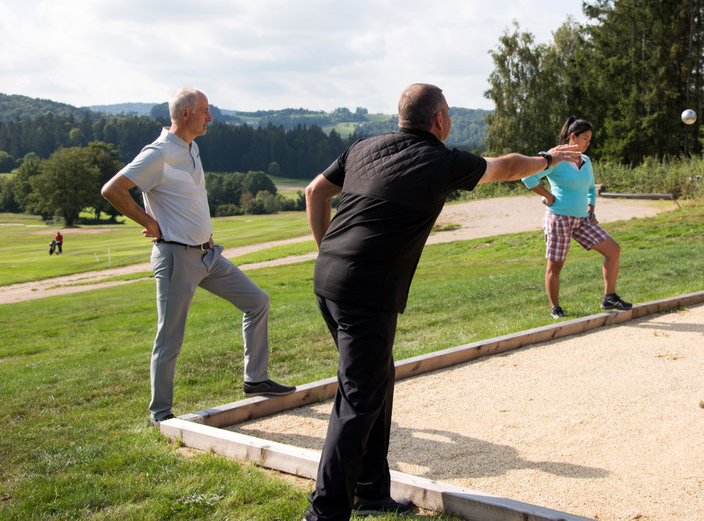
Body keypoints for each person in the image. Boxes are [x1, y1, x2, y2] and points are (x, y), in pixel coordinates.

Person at [303, 83, 581, 520]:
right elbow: (507, 166)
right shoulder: (439, 159)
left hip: (329, 279)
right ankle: (325, 513)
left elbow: (314, 192)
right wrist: (548, 159)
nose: (449, 121)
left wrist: (327, 252)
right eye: (448, 114)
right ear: (438, 120)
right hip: (367, 290)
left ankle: (372, 491)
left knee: (376, 380)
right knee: (358, 398)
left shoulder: (364, 145)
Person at [101, 87, 294, 427]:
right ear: (186, 113)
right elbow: (113, 189)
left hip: (207, 255)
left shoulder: (192, 148)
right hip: (176, 257)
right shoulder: (158, 153)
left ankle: (255, 378)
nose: (210, 117)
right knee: (170, 336)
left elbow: (186, 199)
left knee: (257, 301)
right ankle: (160, 415)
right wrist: (148, 221)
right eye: (205, 110)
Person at [521, 116, 632, 319]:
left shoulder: (586, 161)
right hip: (559, 219)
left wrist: (591, 208)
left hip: (582, 219)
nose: (588, 143)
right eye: (585, 138)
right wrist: (548, 196)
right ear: (573, 136)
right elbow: (527, 176)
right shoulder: (555, 158)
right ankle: (555, 308)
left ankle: (609, 297)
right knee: (555, 265)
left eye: (590, 140)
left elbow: (590, 187)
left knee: (613, 250)